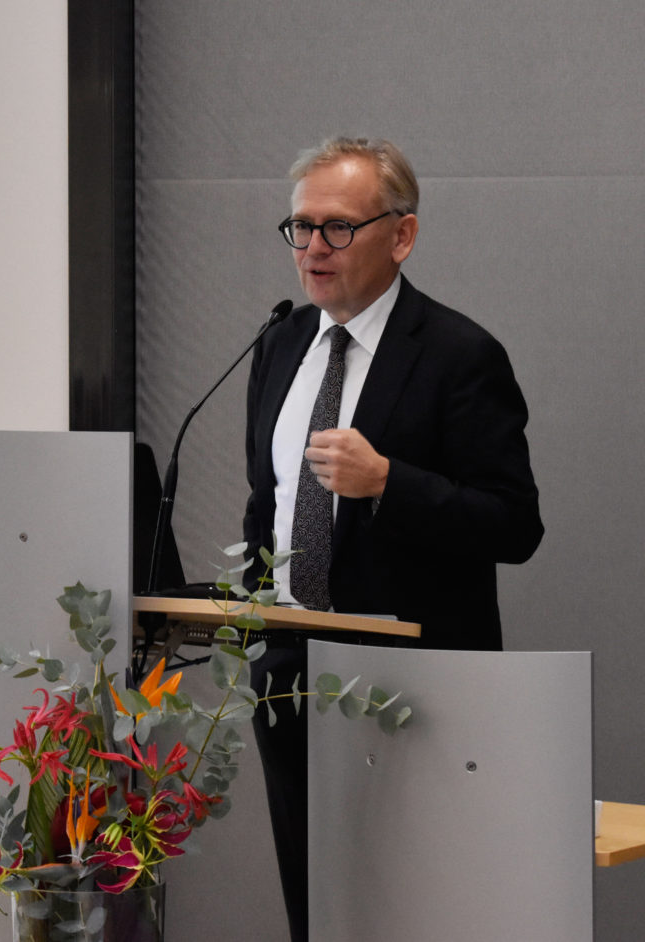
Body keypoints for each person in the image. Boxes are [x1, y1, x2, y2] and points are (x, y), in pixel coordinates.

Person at [242, 137, 543, 941]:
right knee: (315, 907)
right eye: (300, 227)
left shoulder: (459, 355)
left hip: (415, 682)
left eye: (337, 228)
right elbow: (266, 501)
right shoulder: (278, 344)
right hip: (291, 667)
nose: (312, 248)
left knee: (417, 911)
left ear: (400, 236)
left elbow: (515, 524)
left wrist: (389, 483)